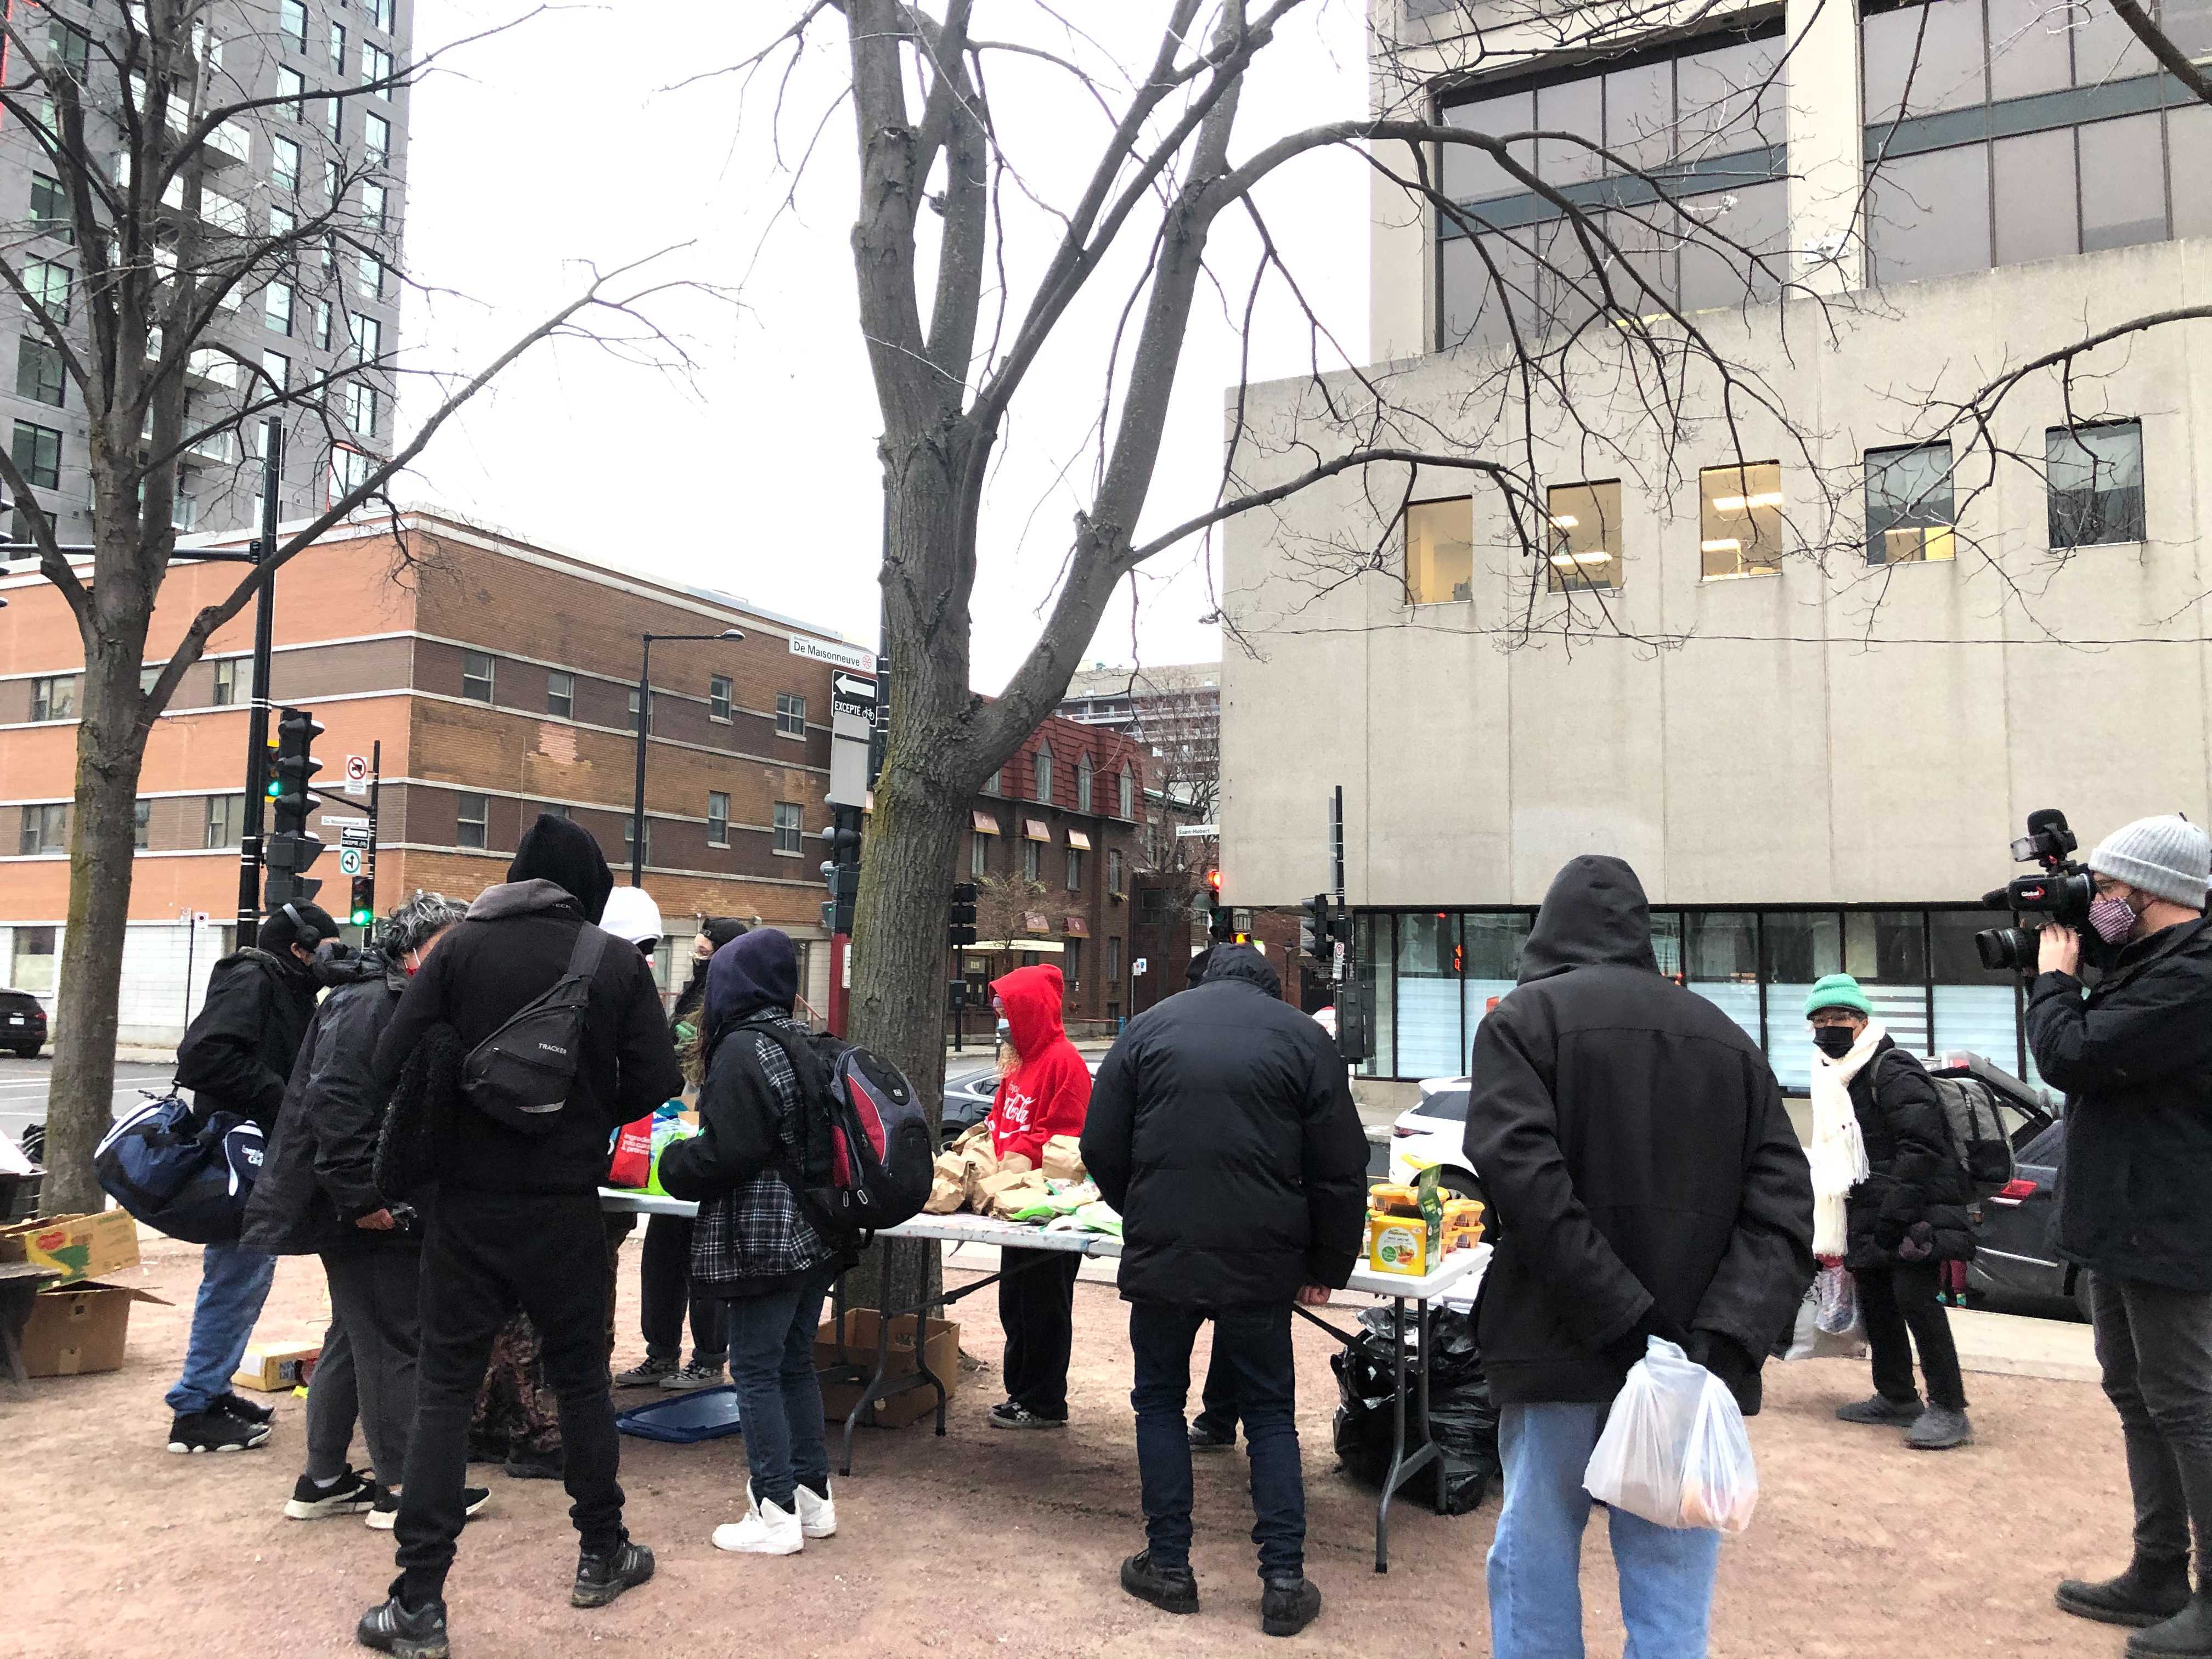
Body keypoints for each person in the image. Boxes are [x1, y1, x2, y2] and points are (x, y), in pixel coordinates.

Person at [1463, 855, 1813, 1659]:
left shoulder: (1522, 1022)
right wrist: (1720, 1342)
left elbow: (1525, 1181)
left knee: (1536, 1563)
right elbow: (1786, 1204)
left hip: (1557, 1346)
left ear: (1546, 931)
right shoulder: (1727, 1040)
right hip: (1692, 1366)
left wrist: (1624, 1323)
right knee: (1670, 1598)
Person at [354, 814, 682, 1656]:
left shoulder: (459, 949)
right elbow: (659, 1075)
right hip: (567, 1207)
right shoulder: (609, 960)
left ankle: (418, 1600)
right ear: (586, 890)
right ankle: (602, 1553)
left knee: (443, 1389)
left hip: (465, 1210)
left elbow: (391, 1058)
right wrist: (579, 1110)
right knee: (580, 1385)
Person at [1082, 944, 1367, 1640]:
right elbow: (1341, 1168)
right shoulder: (1305, 1039)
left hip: (1166, 1255)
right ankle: (1284, 1580)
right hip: (1263, 1263)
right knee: (1270, 1413)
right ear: (1273, 989)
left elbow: (1099, 1145)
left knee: (1157, 1399)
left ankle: (1170, 1564)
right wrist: (1327, 1262)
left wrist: (1143, 1212)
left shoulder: (1147, 1030)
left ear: (1203, 979)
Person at [243, 894, 490, 1529]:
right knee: (392, 1339)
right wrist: (363, 1198)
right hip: (360, 1204)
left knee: (355, 1337)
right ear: (413, 948)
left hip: (362, 1198)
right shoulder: (369, 1003)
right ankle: (402, 1487)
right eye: (449, 946)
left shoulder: (387, 998)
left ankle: (323, 1477)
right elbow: (336, 1104)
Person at [2030, 816, 2212, 1654]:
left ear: (2147, 893)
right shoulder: (2151, 965)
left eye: (2109, 890)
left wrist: (2054, 980)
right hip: (2118, 1223)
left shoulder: (2196, 977)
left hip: (2170, 1228)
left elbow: (2074, 1054)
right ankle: (2157, 1570)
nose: (2099, 903)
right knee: (2136, 1397)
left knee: (2190, 1409)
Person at [658, 928, 857, 1556]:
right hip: (819, 1233)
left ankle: (773, 1511)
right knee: (793, 1361)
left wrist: (675, 1163)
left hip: (764, 1235)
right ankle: (811, 1499)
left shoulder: (744, 1048)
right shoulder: (806, 1039)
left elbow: (730, 1153)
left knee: (754, 1369)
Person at [165, 900, 340, 1455]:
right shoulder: (252, 978)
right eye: (330, 949)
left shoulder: (284, 988)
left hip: (254, 1155)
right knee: (235, 1277)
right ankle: (195, 1409)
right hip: (236, 1158)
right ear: (300, 945)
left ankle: (209, 1391)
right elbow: (202, 1056)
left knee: (245, 1275)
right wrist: (287, 1101)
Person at [1804, 973, 1975, 1451]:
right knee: (1878, 1304)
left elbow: (1921, 1144)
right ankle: (1896, 1395)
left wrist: (1895, 1213)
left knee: (1917, 1303)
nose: (1829, 1028)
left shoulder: (1892, 1066)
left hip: (1912, 1210)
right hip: (1865, 1208)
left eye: (1839, 1018)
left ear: (1862, 1022)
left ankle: (1949, 1406)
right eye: (1819, 1020)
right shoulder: (1833, 1074)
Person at [608, 896, 734, 1393]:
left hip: (705, 1136)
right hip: (670, 1132)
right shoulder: (689, 1001)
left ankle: (708, 1358)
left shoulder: (728, 1009)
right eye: (696, 953)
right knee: (662, 1251)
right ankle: (660, 1352)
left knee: (704, 1256)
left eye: (706, 954)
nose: (697, 962)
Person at [985, 963, 1092, 1430]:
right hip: (1015, 1203)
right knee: (1015, 1303)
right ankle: (1020, 1392)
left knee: (1044, 1306)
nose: (999, 1021)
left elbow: (1065, 1138)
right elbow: (1000, 1123)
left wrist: (1014, 1158)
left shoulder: (1063, 1063)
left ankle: (1045, 1400)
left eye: (1005, 1010)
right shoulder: (1017, 1063)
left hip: (1049, 1207)